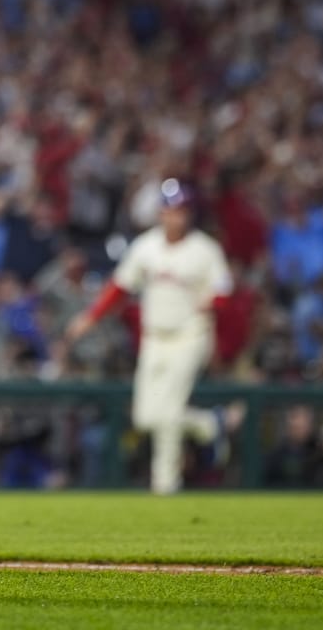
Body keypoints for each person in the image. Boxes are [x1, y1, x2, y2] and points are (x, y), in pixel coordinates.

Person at [62, 179, 237, 494]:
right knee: (145, 417)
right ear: (161, 213)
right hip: (155, 337)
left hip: (191, 334)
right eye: (170, 210)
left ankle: (165, 484)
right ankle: (209, 424)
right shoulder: (146, 246)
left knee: (168, 413)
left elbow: (225, 291)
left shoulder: (205, 249)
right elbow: (119, 287)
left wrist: (211, 302)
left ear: (189, 214)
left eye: (181, 210)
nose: (175, 217)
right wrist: (90, 318)